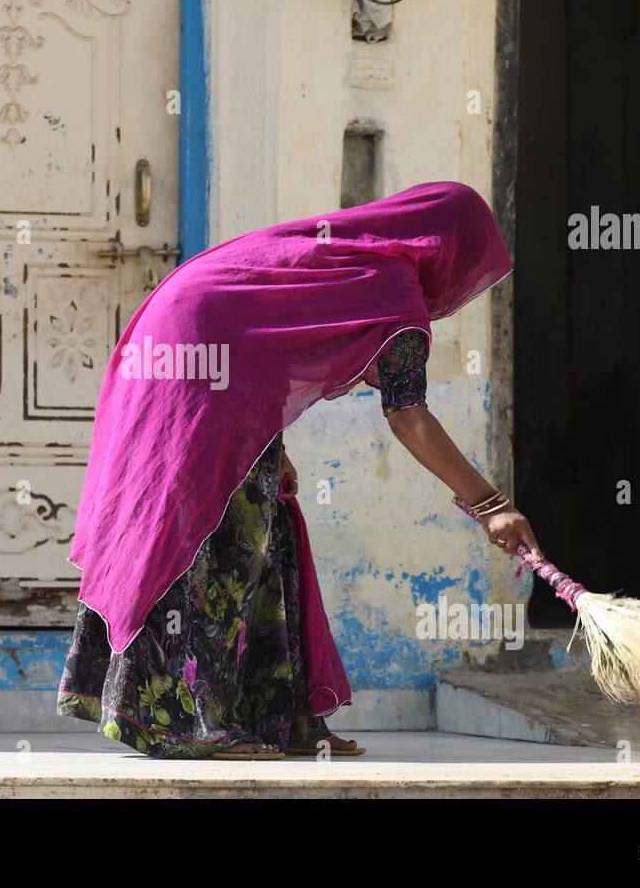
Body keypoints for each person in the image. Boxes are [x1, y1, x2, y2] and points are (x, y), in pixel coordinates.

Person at [57, 181, 543, 758]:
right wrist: (491, 505)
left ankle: (284, 721)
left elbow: (263, 337)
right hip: (194, 353)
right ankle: (190, 727)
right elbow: (409, 418)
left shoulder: (354, 257)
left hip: (182, 330)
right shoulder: (393, 294)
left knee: (272, 523)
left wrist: (272, 448)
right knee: (219, 538)